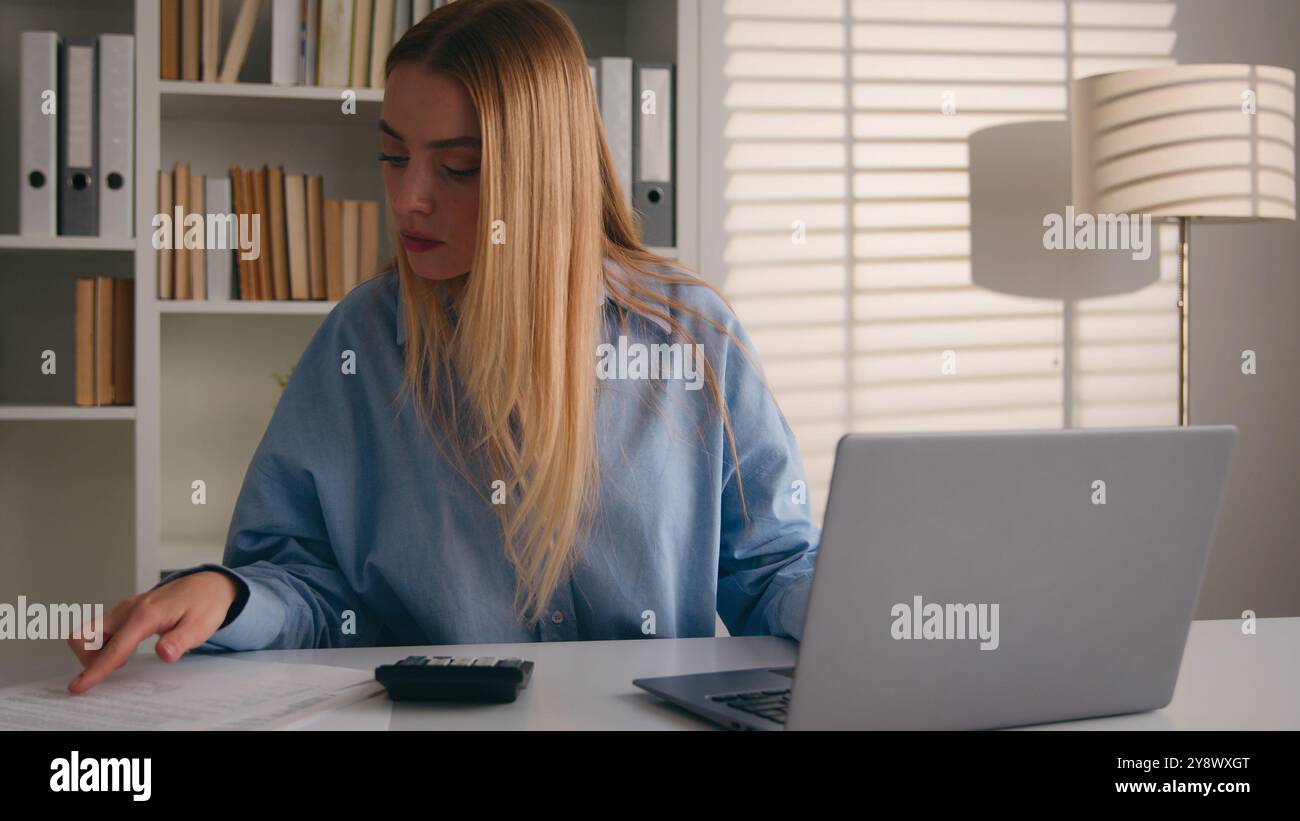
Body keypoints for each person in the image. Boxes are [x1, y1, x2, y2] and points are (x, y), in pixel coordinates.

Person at [67, 0, 819, 694]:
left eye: (456, 167)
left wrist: (879, 608)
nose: (408, 197)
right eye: (394, 156)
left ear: (542, 175)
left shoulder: (689, 337)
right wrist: (229, 595)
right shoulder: (357, 346)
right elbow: (310, 587)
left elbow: (771, 567)